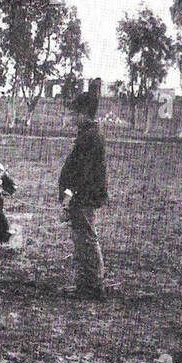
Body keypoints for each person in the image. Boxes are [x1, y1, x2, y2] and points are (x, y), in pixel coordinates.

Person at [58, 89, 108, 299]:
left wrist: (69, 195)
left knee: (86, 238)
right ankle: (84, 284)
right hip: (83, 195)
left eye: (74, 113)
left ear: (84, 113)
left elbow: (82, 173)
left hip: (84, 196)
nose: (71, 117)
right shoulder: (88, 134)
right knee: (81, 238)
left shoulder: (90, 137)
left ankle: (94, 286)